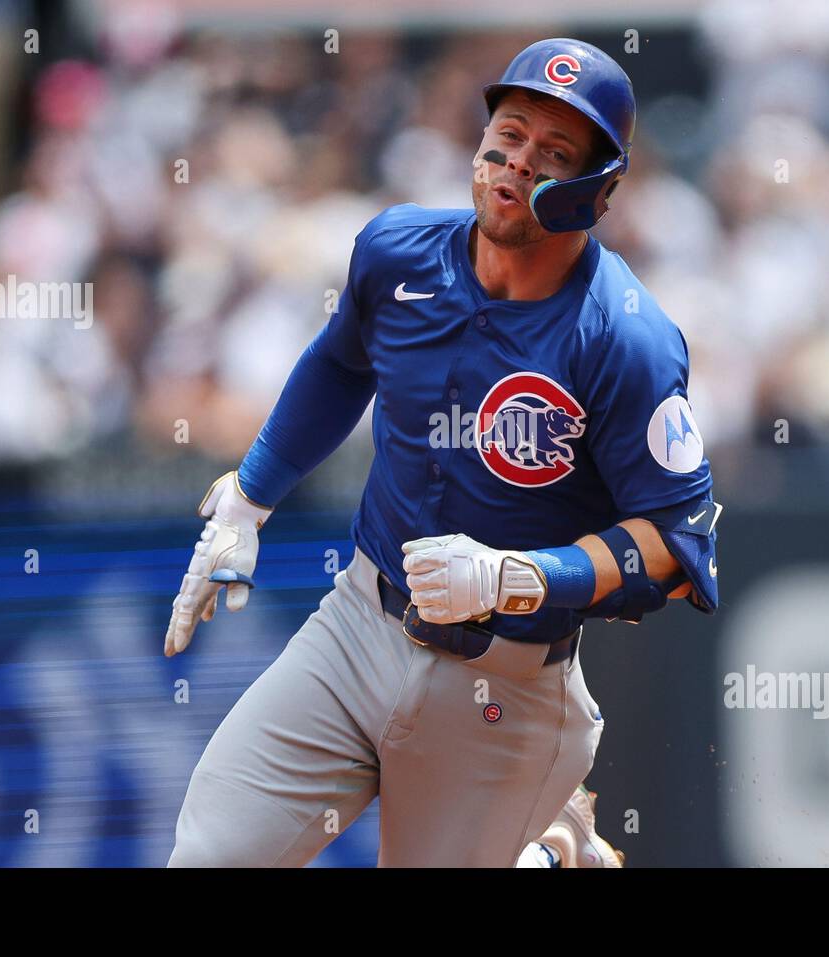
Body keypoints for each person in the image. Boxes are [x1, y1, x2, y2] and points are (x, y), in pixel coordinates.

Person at [165, 38, 719, 868]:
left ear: (600, 188)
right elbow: (338, 364)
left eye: (554, 150)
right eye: (512, 130)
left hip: (505, 681)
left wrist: (518, 576)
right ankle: (545, 841)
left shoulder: (625, 337)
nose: (517, 159)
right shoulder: (396, 253)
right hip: (358, 624)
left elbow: (679, 547)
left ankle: (546, 836)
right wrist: (247, 501)